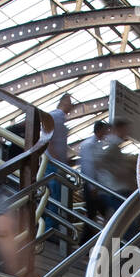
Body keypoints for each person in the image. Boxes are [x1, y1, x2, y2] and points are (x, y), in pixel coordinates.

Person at [95, 120, 138, 217]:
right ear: (118, 129)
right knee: (126, 220)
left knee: (123, 219)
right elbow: (101, 160)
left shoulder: (113, 144)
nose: (127, 132)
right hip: (117, 189)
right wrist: (117, 172)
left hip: (117, 189)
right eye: (125, 129)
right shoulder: (111, 144)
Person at [44, 92, 73, 232]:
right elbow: (47, 139)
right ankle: (49, 228)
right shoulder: (55, 117)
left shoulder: (59, 119)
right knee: (54, 197)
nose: (71, 104)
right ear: (62, 102)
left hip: (56, 164)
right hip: (52, 164)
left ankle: (50, 227)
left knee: (54, 196)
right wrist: (56, 158)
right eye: (69, 101)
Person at [78, 119, 109, 223]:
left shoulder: (97, 145)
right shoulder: (89, 145)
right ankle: (115, 240)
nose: (106, 134)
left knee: (96, 215)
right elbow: (88, 167)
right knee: (108, 216)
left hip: (96, 186)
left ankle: (86, 239)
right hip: (92, 187)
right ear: (99, 130)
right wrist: (92, 187)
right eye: (105, 131)